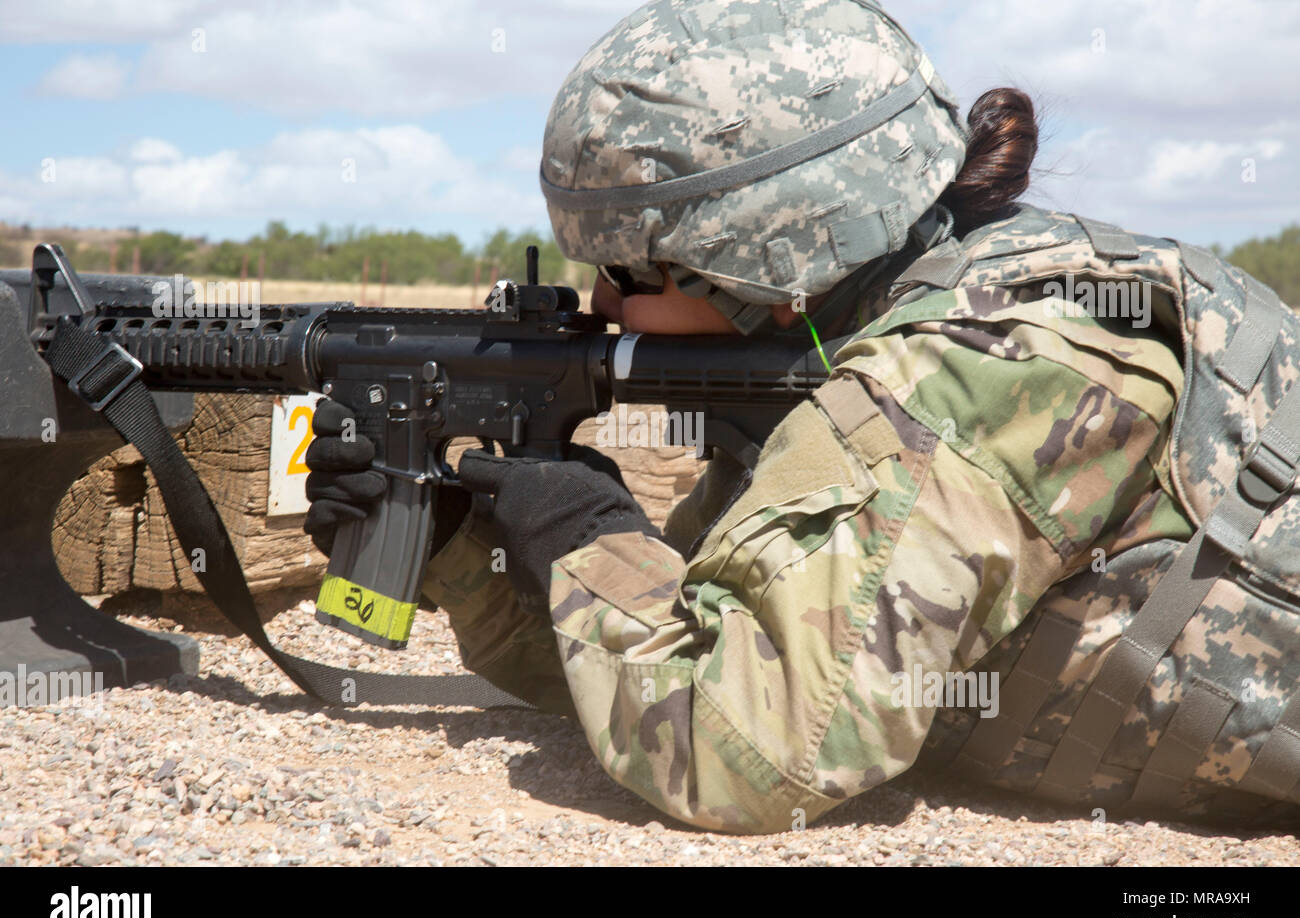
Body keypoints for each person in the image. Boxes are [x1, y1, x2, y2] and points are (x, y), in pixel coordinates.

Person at [305, 0, 1300, 834]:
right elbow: (677, 652)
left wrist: (581, 532)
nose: (599, 307)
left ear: (759, 267)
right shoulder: (877, 330)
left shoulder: (966, 374)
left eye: (625, 273)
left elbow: (741, 747)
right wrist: (468, 547)